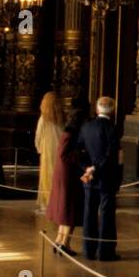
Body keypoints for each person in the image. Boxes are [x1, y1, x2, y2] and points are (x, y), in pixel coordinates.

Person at [78, 96, 121, 261]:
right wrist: (95, 169)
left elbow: (79, 151)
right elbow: (111, 156)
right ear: (113, 111)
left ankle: (88, 251)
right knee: (107, 215)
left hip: (89, 178)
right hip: (107, 178)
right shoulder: (112, 129)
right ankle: (105, 252)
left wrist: (87, 168)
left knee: (89, 213)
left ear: (97, 110)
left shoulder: (86, 127)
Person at [47, 101, 89, 256]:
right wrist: (82, 154)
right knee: (69, 210)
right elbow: (64, 155)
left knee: (66, 210)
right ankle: (65, 243)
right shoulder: (70, 134)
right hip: (68, 175)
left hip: (65, 174)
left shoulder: (67, 132)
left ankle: (60, 240)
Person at [35, 91, 64, 210]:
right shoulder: (62, 117)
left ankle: (48, 202)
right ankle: (58, 201)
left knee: (47, 176)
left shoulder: (44, 118)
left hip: (47, 151)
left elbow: (38, 135)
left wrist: (39, 148)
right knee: (58, 175)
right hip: (59, 149)